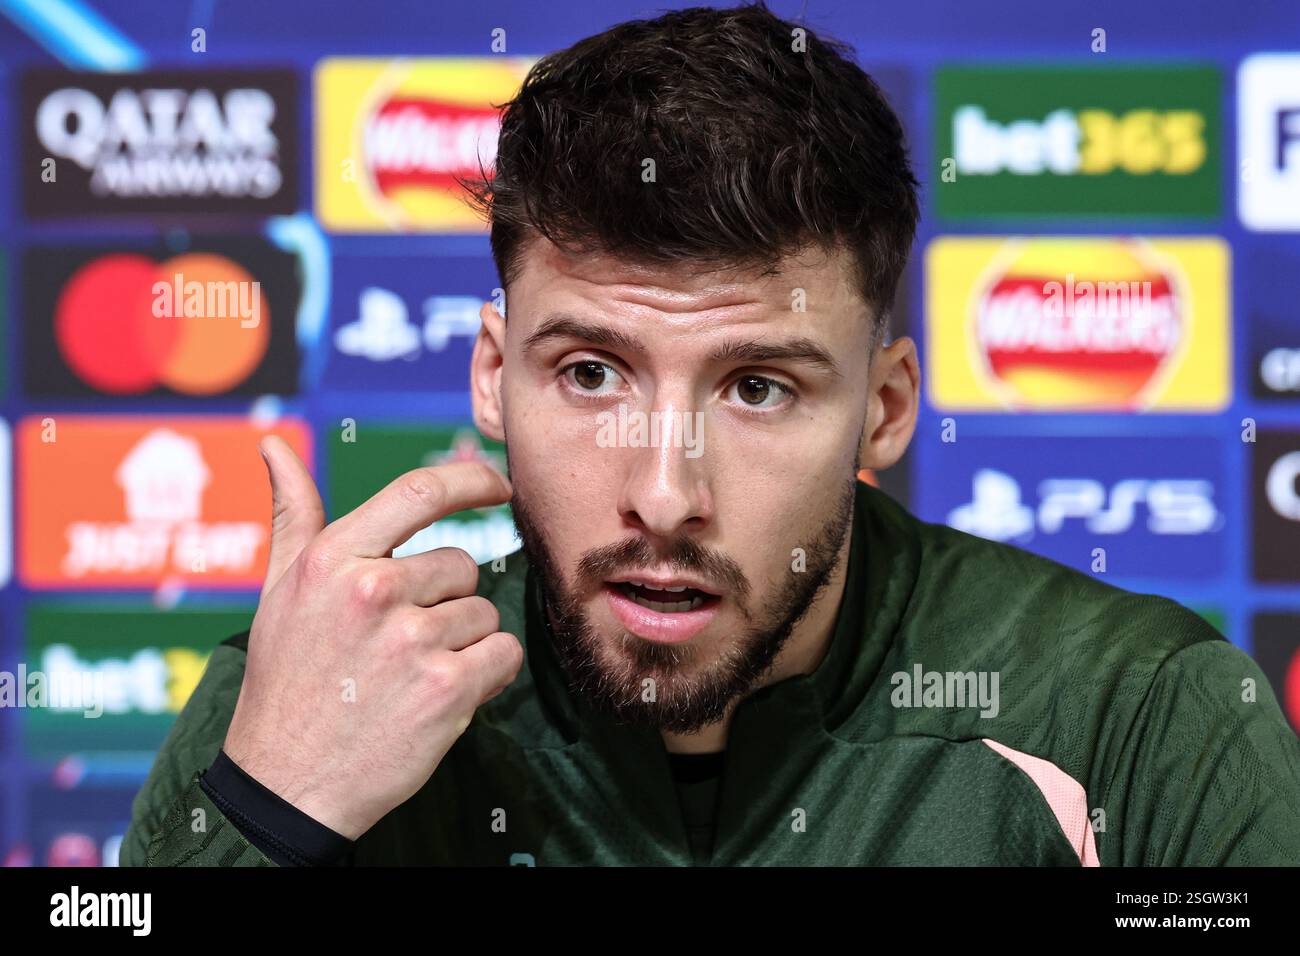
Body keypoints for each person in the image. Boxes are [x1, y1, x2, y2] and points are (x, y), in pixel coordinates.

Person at [122, 1, 1300, 866]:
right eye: (589, 372)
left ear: (882, 411)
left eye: (757, 388)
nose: (665, 493)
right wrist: (269, 813)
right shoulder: (284, 712)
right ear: (492, 378)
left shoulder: (1137, 714)